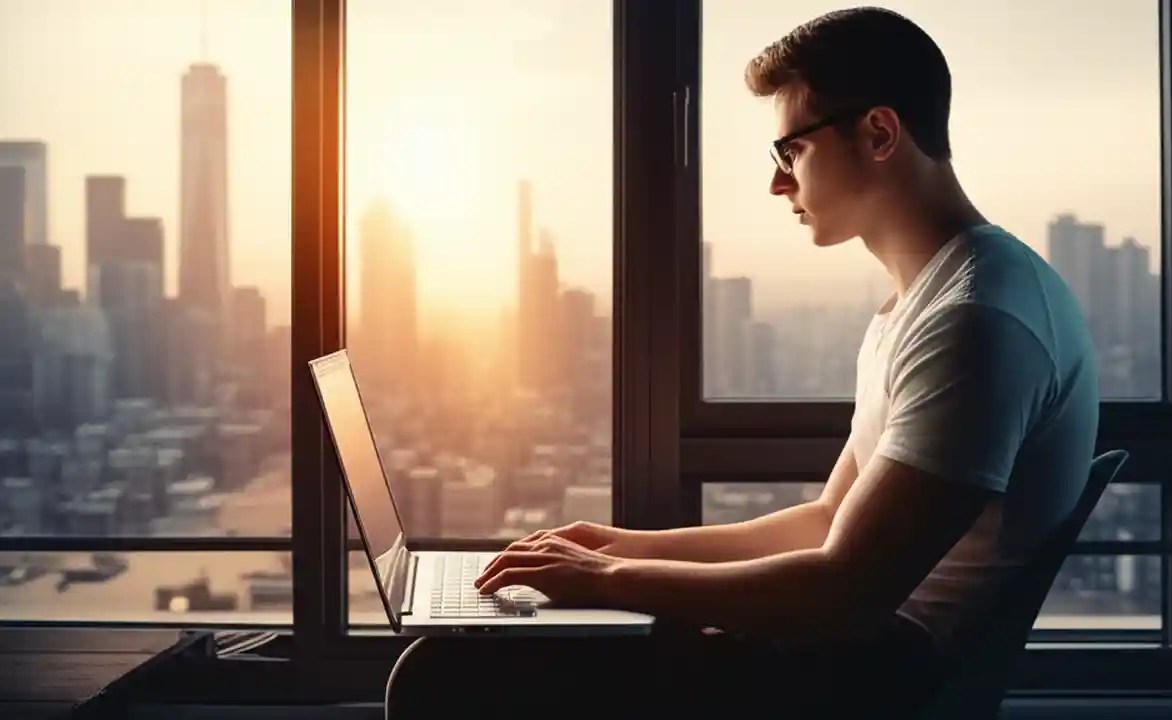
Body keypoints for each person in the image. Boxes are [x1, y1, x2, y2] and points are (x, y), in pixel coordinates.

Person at [386, 6, 1099, 717]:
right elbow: (827, 522)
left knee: (445, 676)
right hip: (849, 656)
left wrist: (608, 578)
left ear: (879, 134)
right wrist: (620, 549)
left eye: (791, 151)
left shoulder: (977, 321)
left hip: (868, 679)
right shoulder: (927, 302)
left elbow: (843, 593)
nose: (777, 184)